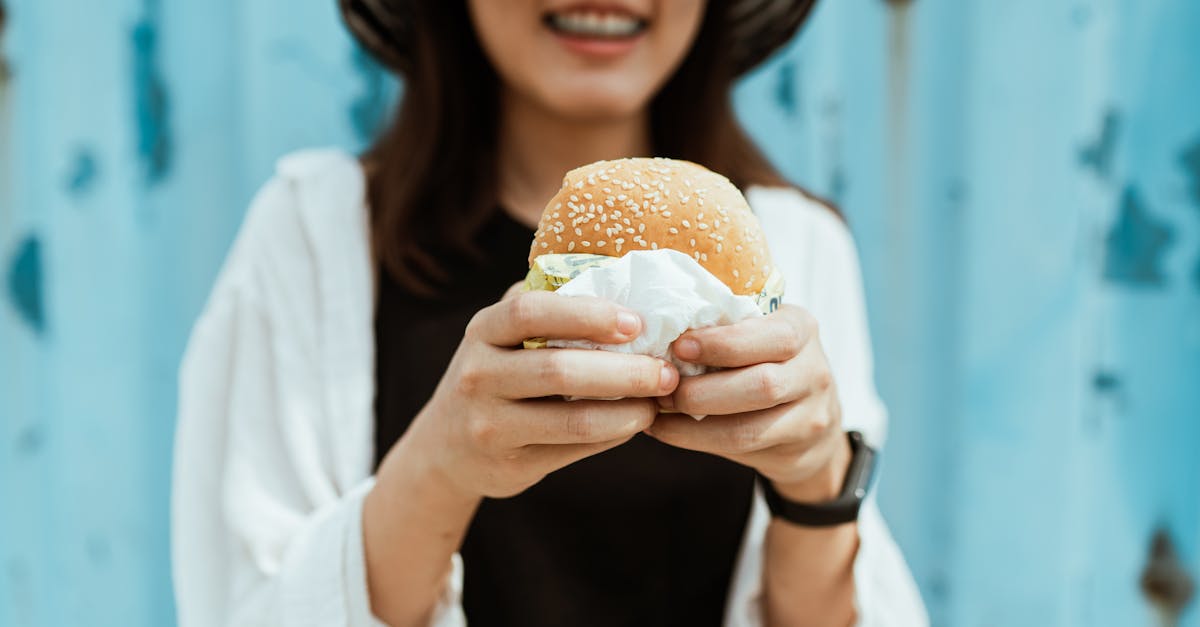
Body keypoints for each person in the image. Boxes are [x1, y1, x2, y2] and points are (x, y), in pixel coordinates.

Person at [171, 1, 927, 625]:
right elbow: (252, 600)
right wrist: (441, 461)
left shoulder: (792, 246)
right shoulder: (314, 238)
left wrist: (819, 478)